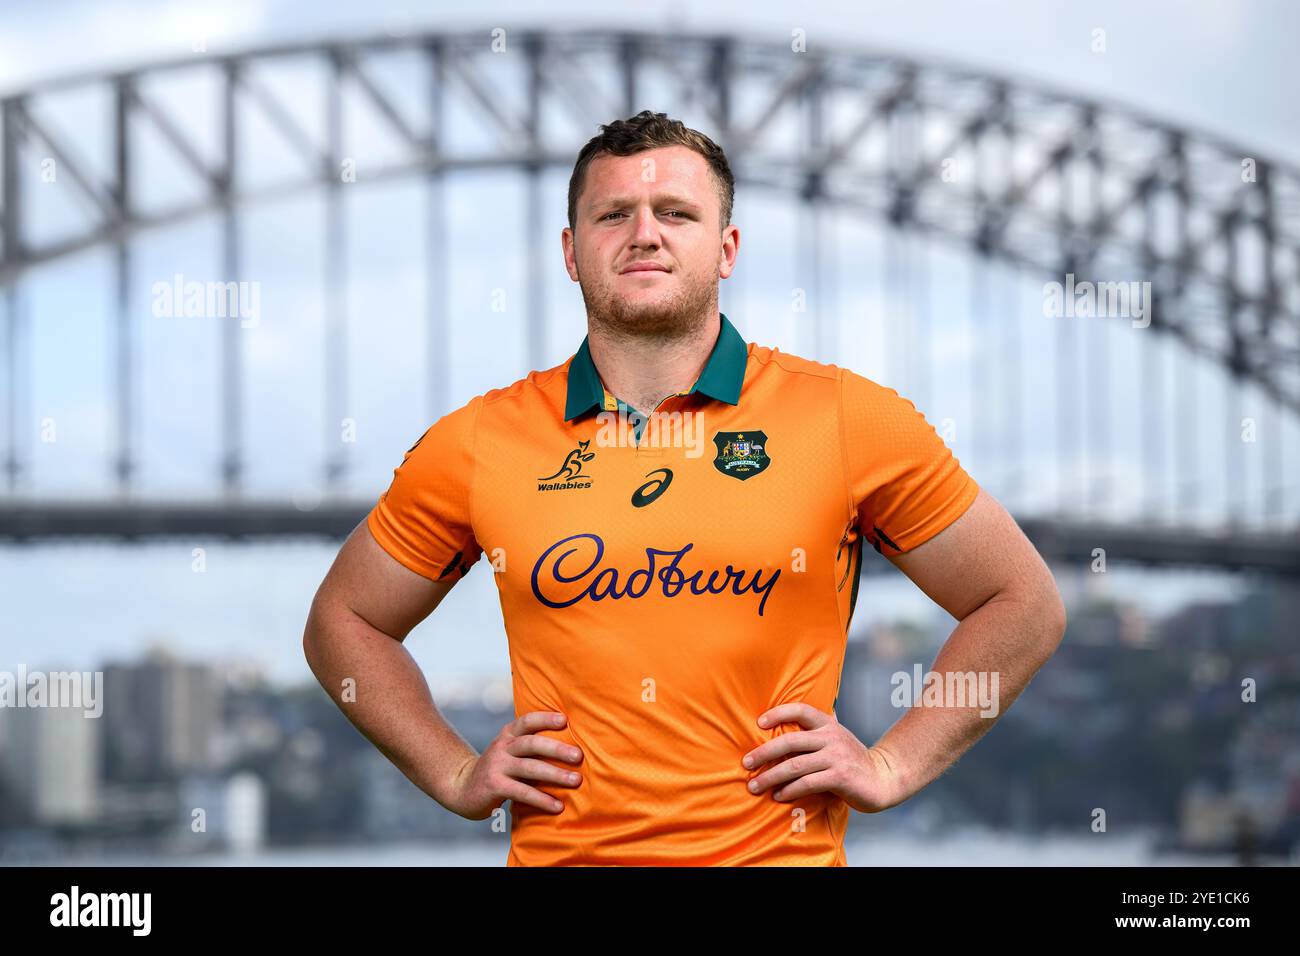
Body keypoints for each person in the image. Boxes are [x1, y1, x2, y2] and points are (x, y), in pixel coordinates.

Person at [302, 110, 1066, 866]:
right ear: (571, 252)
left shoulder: (845, 419)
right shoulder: (479, 441)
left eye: (676, 212)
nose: (645, 233)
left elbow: (1021, 603)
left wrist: (894, 764)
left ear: (726, 247)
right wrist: (454, 771)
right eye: (613, 215)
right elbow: (345, 620)